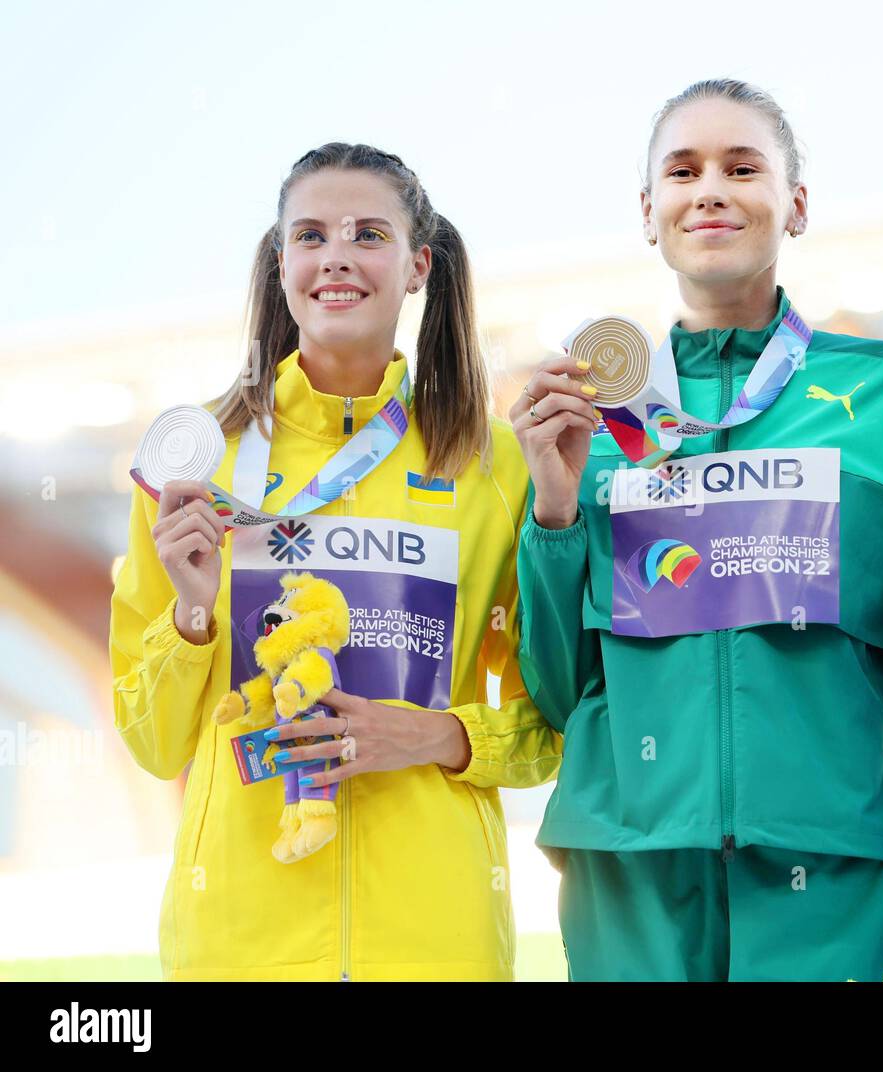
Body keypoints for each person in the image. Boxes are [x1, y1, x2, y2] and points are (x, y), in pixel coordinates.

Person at [510, 79, 883, 981]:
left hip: (833, 858)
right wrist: (555, 510)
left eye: (742, 166)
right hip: (631, 866)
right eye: (683, 170)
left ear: (795, 204)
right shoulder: (591, 415)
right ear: (649, 212)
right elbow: (561, 693)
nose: (709, 188)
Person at [109, 142, 561, 981]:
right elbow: (151, 740)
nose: (337, 257)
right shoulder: (194, 464)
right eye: (311, 235)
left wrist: (431, 735)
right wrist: (194, 617)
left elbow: (550, 725)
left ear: (419, 264)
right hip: (240, 942)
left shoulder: (497, 466)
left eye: (368, 234)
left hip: (437, 936)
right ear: (282, 263)